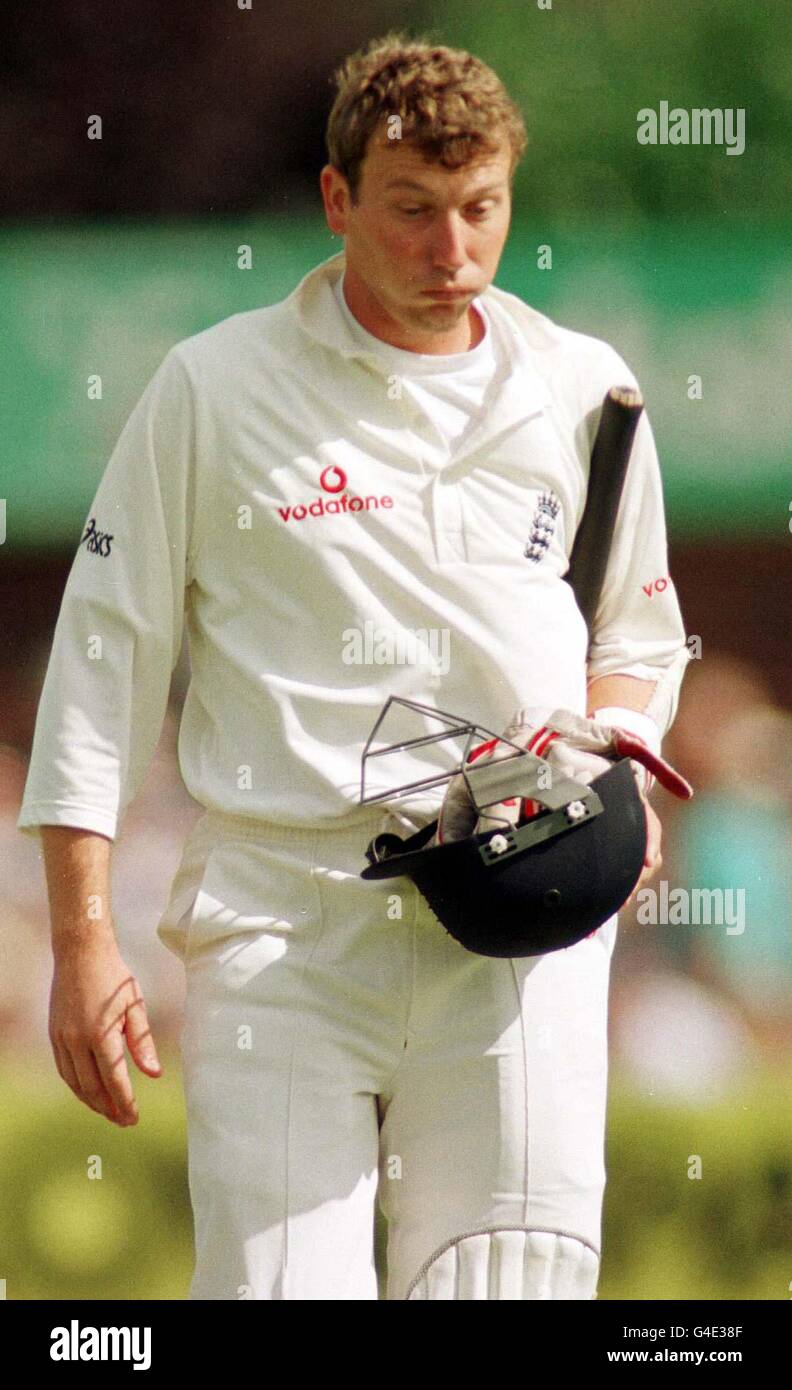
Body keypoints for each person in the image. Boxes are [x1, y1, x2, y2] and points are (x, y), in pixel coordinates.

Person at [18, 32, 692, 1300]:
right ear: (339, 201)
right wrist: (84, 939)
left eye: (480, 209)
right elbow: (100, 661)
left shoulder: (586, 390)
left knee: (517, 1283)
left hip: (521, 921)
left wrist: (618, 756)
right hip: (285, 920)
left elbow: (640, 635)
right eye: (414, 210)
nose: (453, 252)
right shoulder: (211, 390)